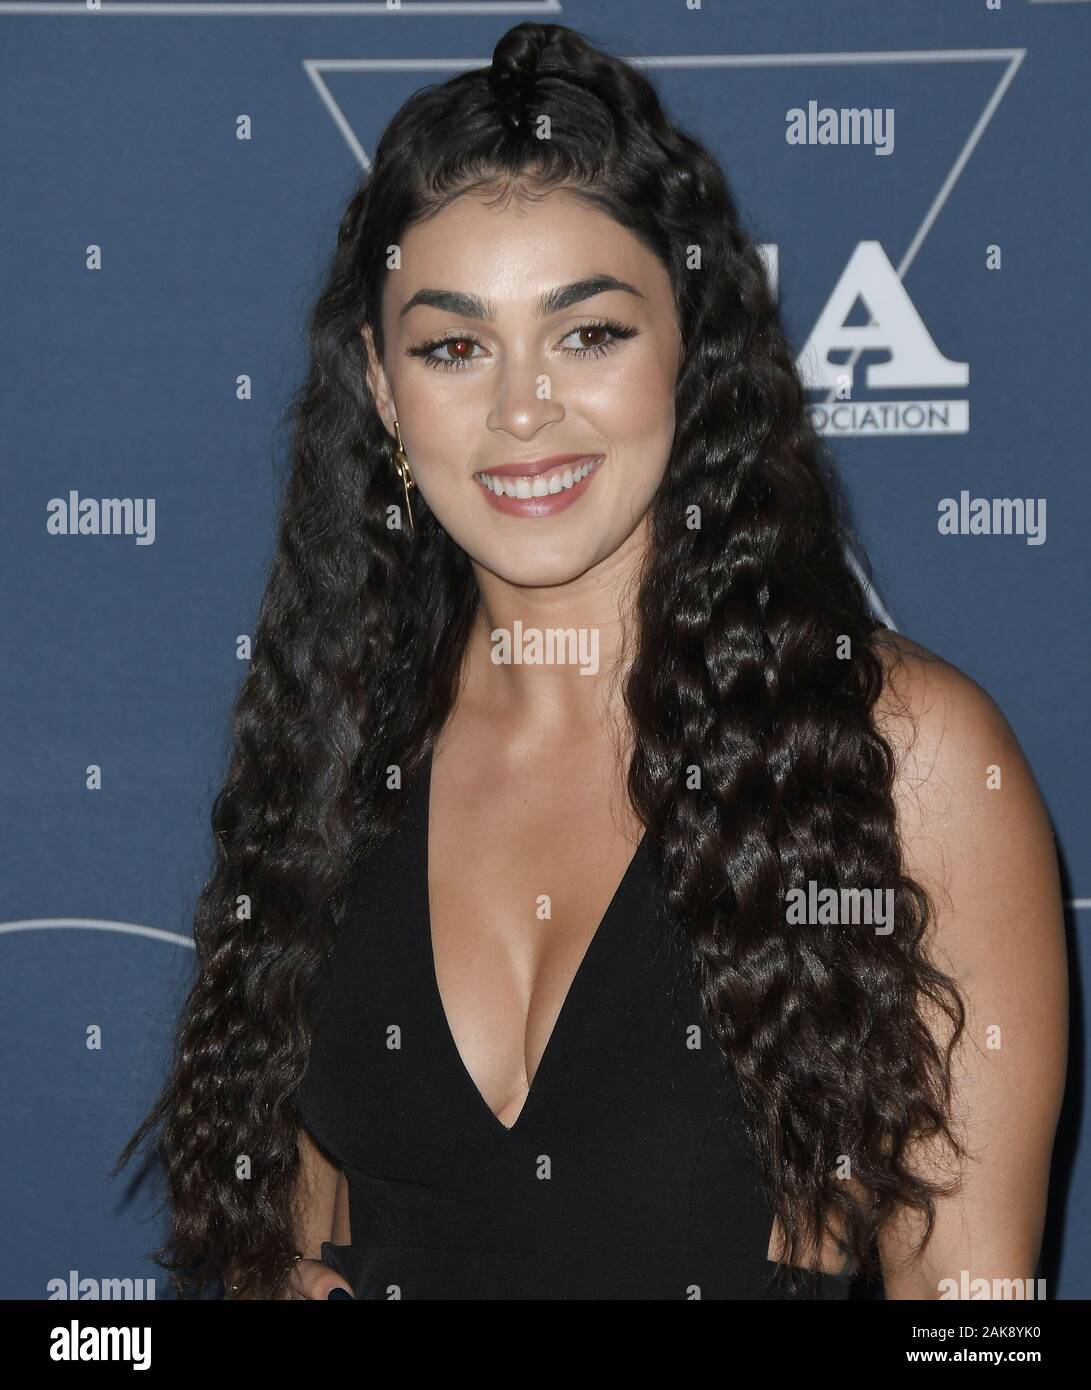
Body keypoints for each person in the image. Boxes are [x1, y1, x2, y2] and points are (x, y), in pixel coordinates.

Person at [116, 21, 1067, 1301]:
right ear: (383, 390)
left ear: (691, 345)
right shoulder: (336, 755)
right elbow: (279, 1261)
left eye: (588, 333)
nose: (522, 409)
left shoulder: (908, 760)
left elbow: (971, 1308)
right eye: (454, 346)